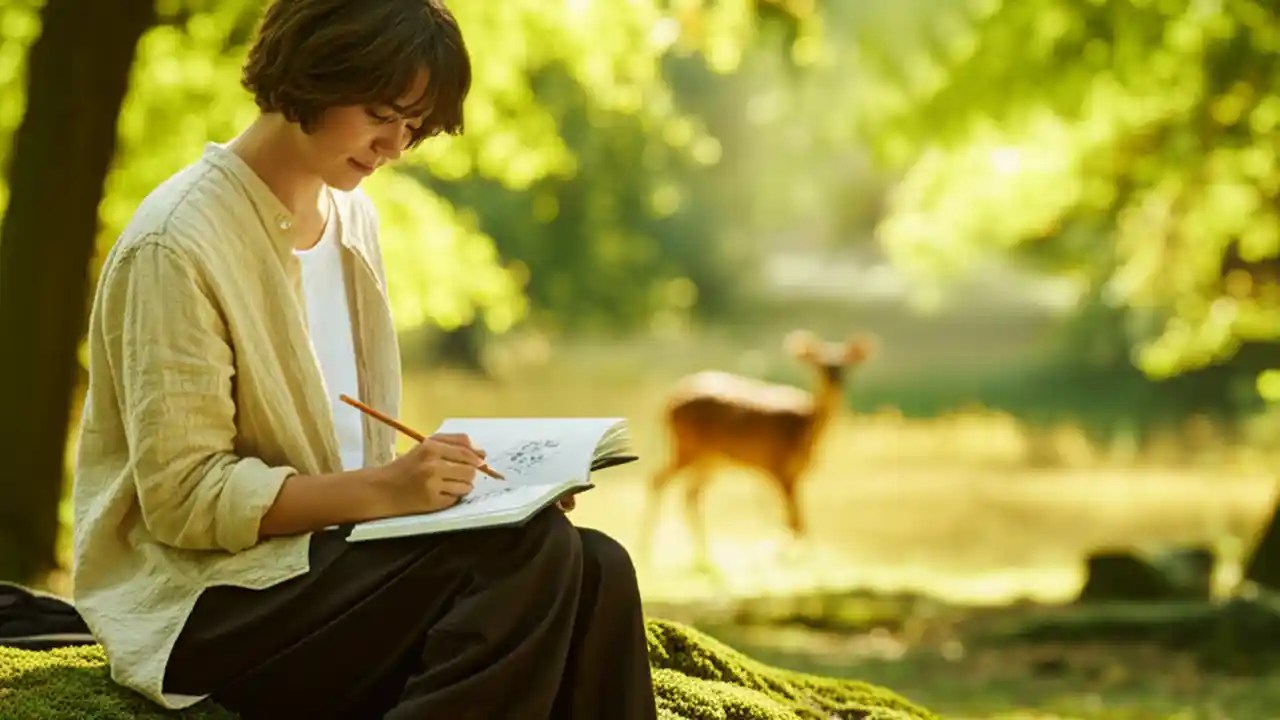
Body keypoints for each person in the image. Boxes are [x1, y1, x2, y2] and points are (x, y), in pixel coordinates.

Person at [70, 1, 657, 718]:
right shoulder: (178, 243)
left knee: (597, 565)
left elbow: (352, 457)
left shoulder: (352, 219)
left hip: (335, 567)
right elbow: (184, 500)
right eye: (383, 113)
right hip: (210, 605)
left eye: (413, 127)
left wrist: (489, 496)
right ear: (314, 74)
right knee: (533, 558)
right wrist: (386, 491)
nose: (394, 146)